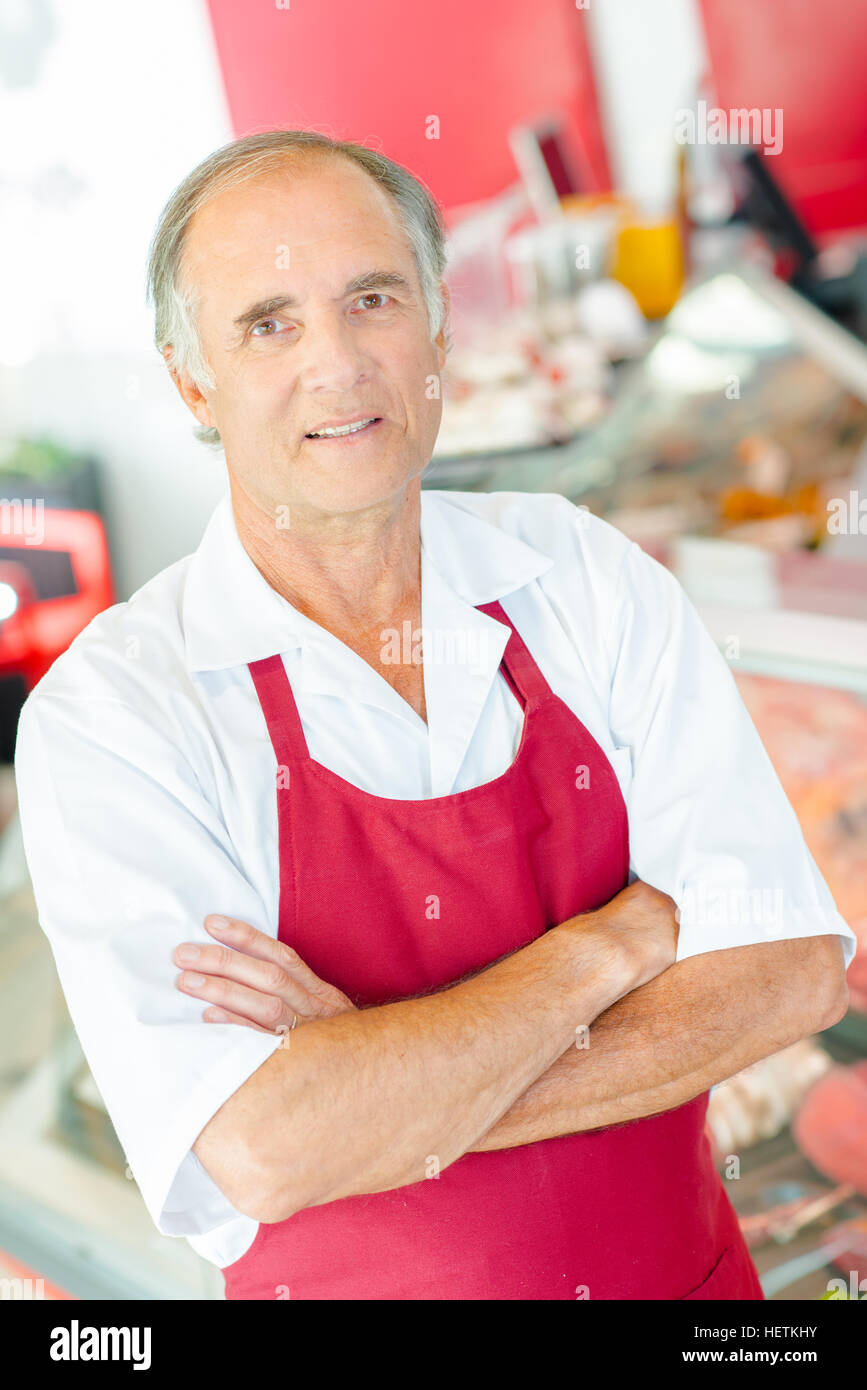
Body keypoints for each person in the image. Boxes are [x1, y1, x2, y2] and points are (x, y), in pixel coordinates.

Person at [14, 130, 855, 1301]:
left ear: (440, 330)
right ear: (192, 380)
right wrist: (604, 948)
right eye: (269, 322)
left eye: (373, 299)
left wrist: (380, 1082)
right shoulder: (116, 716)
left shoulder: (581, 574)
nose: (338, 362)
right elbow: (267, 1145)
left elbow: (790, 971)